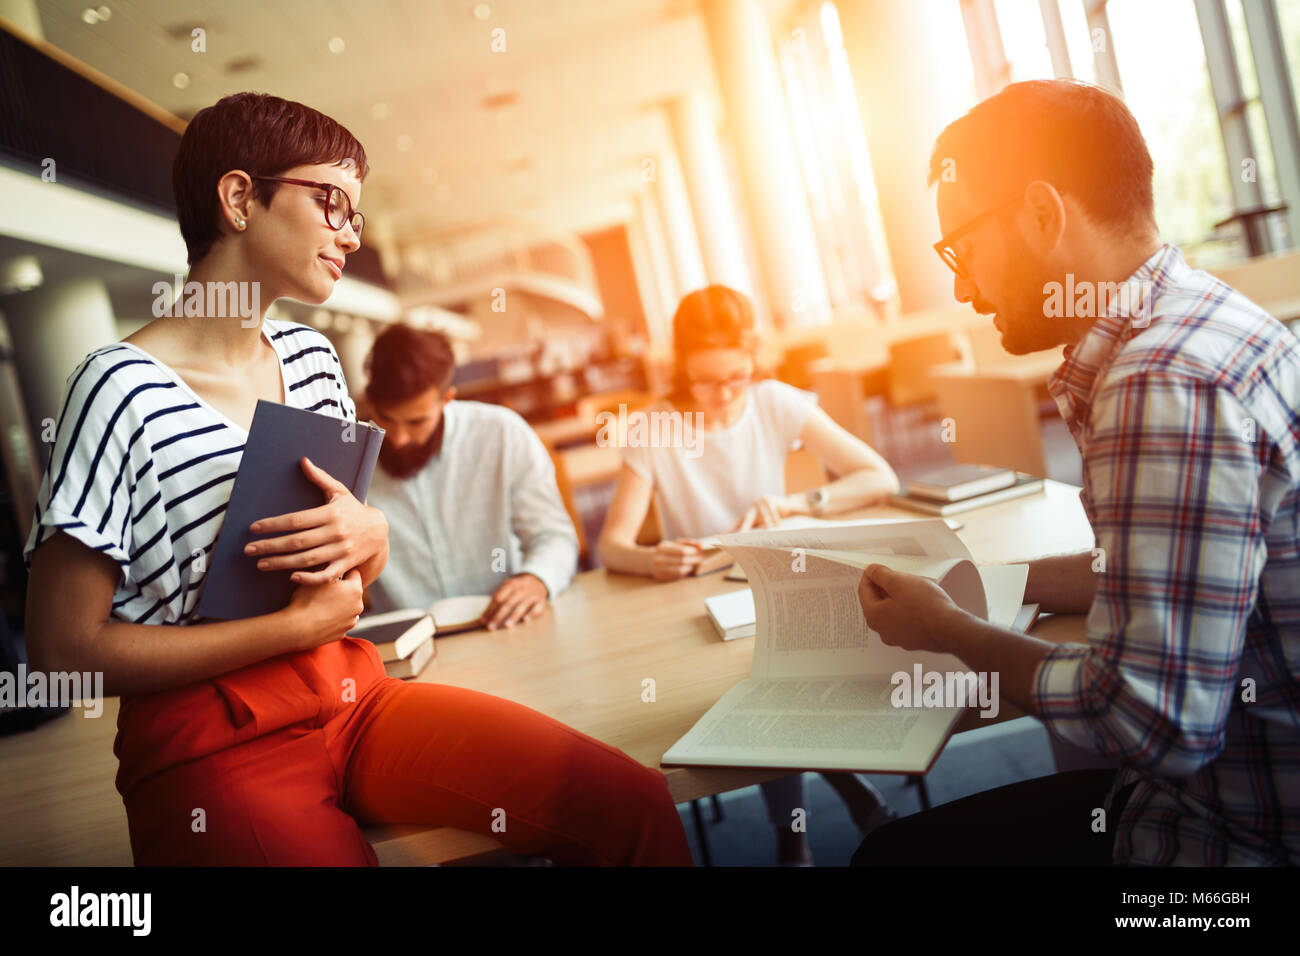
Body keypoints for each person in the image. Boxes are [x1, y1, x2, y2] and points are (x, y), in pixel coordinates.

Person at [22, 92, 693, 866]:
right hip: (210, 742)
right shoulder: (118, 389)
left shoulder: (312, 361)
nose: (348, 234)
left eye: (356, 216)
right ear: (240, 197)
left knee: (633, 805)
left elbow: (349, 576)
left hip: (351, 693)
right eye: (331, 202)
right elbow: (63, 651)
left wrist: (371, 537)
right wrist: (288, 631)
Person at [854, 78, 1300, 866]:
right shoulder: (1202, 317)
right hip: (1243, 794)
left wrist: (945, 629)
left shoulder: (1159, 382)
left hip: (1229, 846)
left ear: (1040, 214)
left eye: (962, 249)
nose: (962, 286)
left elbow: (1148, 722)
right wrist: (997, 578)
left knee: (888, 859)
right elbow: (1179, 571)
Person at [598, 284, 902, 864]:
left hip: (775, 586)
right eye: (707, 380)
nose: (724, 394)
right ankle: (839, 796)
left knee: (775, 677)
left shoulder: (772, 400)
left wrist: (798, 503)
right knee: (768, 682)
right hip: (700, 600)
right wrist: (650, 557)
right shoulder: (655, 425)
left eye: (736, 375)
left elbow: (878, 476)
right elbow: (612, 545)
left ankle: (794, 844)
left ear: (753, 359)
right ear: (680, 365)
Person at [361, 323, 578, 628]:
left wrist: (536, 580)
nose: (398, 438)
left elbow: (553, 537)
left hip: (507, 626)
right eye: (385, 418)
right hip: (408, 650)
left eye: (416, 422)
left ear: (446, 399)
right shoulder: (348, 458)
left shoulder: (502, 434)